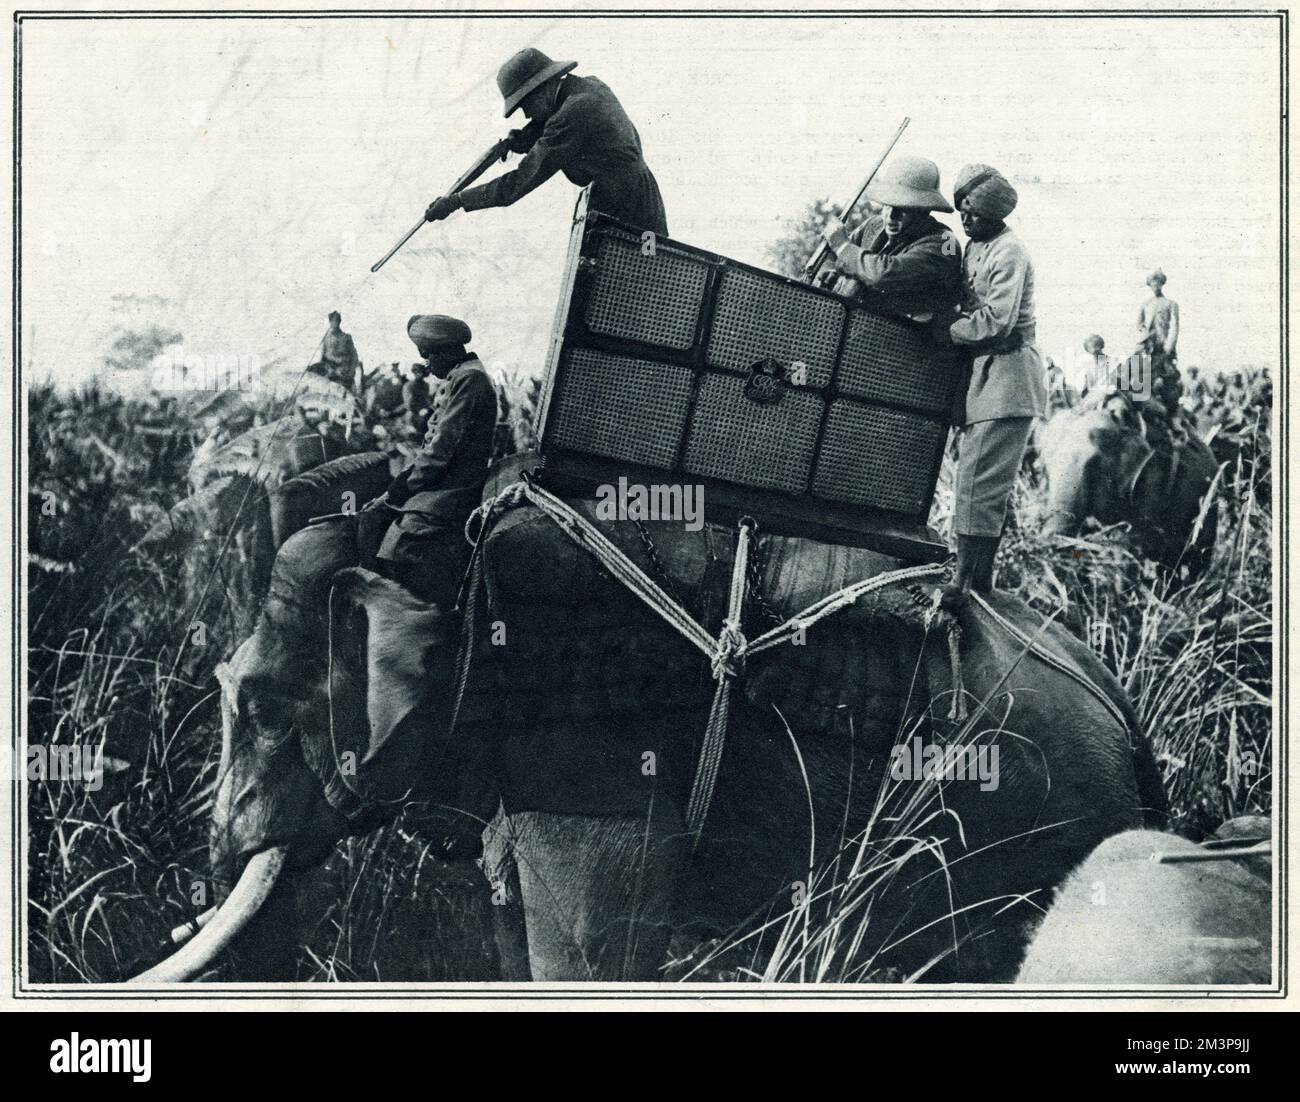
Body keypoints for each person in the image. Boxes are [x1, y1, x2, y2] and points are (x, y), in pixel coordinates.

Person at [941, 163, 1046, 609]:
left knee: (979, 482)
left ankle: (965, 582)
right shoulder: (976, 246)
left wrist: (946, 330)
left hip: (1007, 375)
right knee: (978, 480)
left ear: (998, 216)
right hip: (985, 376)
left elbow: (997, 324)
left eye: (976, 216)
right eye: (962, 213)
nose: (967, 222)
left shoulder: (1009, 253)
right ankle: (976, 577)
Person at [422, 48, 668, 236]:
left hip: (624, 211)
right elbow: (557, 123)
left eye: (526, 105)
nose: (527, 115)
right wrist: (521, 140)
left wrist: (458, 201)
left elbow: (518, 183)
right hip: (639, 200)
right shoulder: (590, 87)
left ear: (542, 88)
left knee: (627, 290)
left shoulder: (572, 114)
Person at [369, 315, 499, 609]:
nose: (427, 364)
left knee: (401, 547)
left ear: (447, 352)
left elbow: (440, 451)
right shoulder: (461, 375)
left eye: (429, 355)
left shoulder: (469, 379)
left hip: (455, 483)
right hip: (445, 477)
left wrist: (401, 487)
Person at [817, 155, 962, 323]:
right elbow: (831, 256)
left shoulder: (945, 242)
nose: (891, 216)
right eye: (887, 205)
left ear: (924, 210)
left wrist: (842, 246)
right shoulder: (875, 225)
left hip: (907, 340)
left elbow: (884, 274)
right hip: (856, 327)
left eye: (903, 208)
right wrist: (831, 273)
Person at [1137, 269, 1181, 414]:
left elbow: (1174, 326)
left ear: (1162, 285)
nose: (1155, 287)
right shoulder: (1145, 304)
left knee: (1167, 378)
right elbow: (1140, 326)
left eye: (1157, 284)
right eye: (1152, 284)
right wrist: (1143, 341)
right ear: (1149, 286)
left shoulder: (1170, 304)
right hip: (1147, 347)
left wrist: (1169, 347)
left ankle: (1171, 414)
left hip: (1163, 348)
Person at [319, 311, 361, 390]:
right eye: (332, 321)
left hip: (343, 372)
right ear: (330, 322)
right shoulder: (326, 338)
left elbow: (354, 357)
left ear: (339, 321)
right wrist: (327, 369)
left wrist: (350, 373)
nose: (335, 323)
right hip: (329, 371)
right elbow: (322, 358)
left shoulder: (346, 337)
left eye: (337, 320)